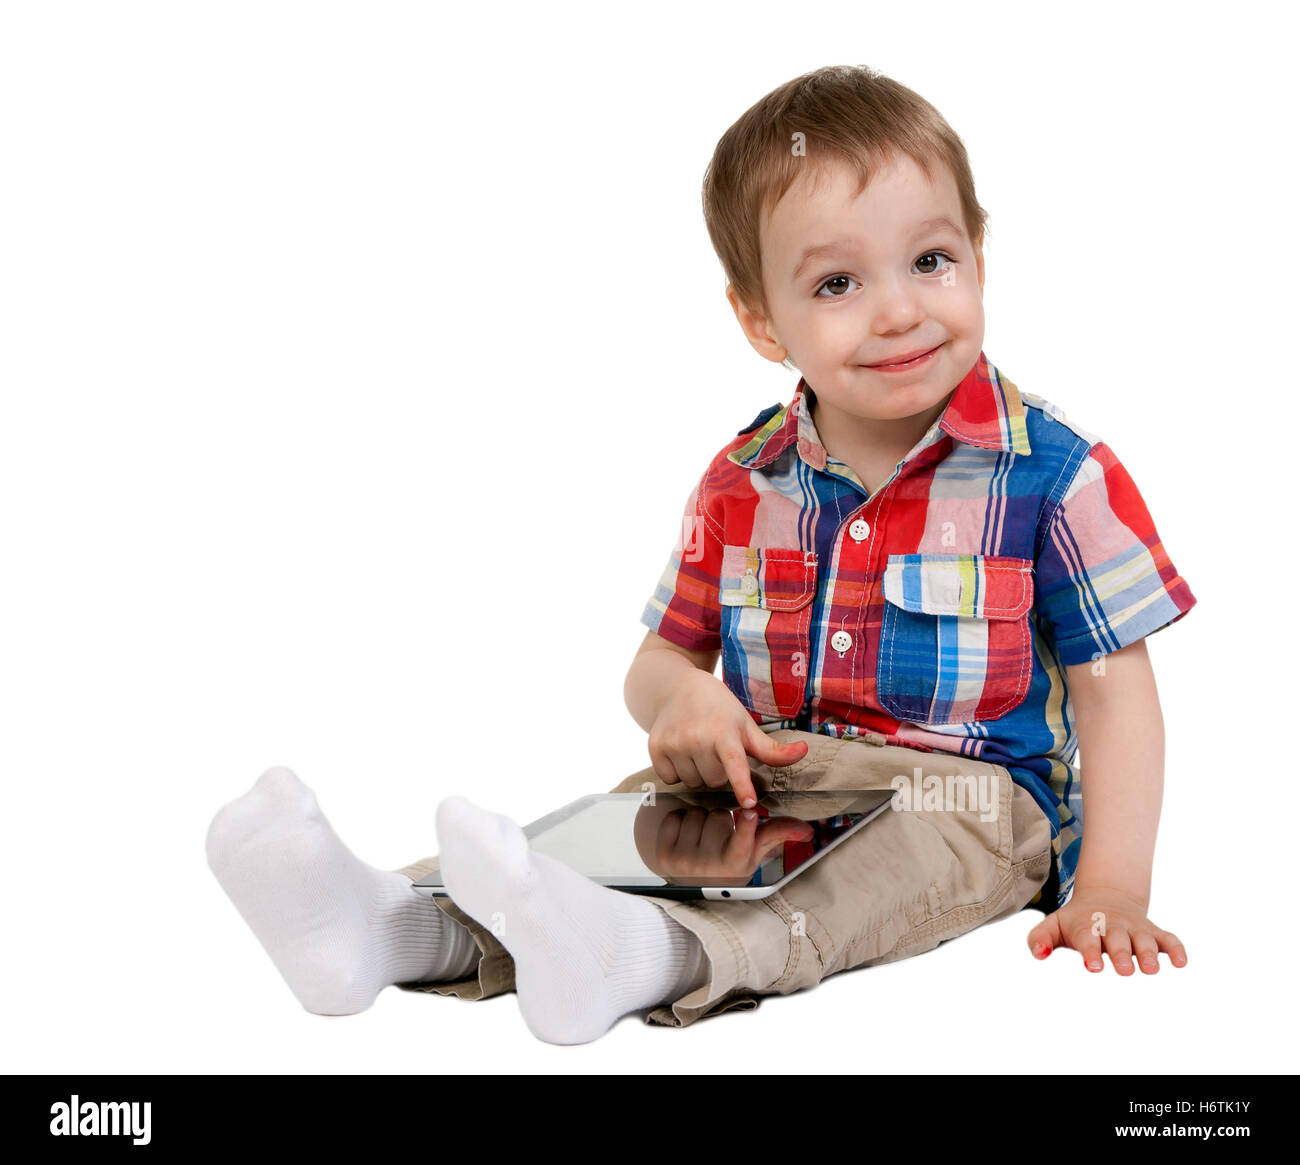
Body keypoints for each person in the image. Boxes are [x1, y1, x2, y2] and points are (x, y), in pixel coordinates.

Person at [205, 64, 1196, 1045]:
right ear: (761, 318)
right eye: (838, 282)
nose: (897, 309)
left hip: (966, 805)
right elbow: (660, 662)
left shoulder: (1053, 476)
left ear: (978, 253)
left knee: (855, 887)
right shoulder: (742, 480)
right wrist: (680, 703)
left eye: (930, 260)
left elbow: (1117, 693)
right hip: (763, 784)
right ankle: (387, 924)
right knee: (594, 838)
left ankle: (640, 958)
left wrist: (1110, 879)